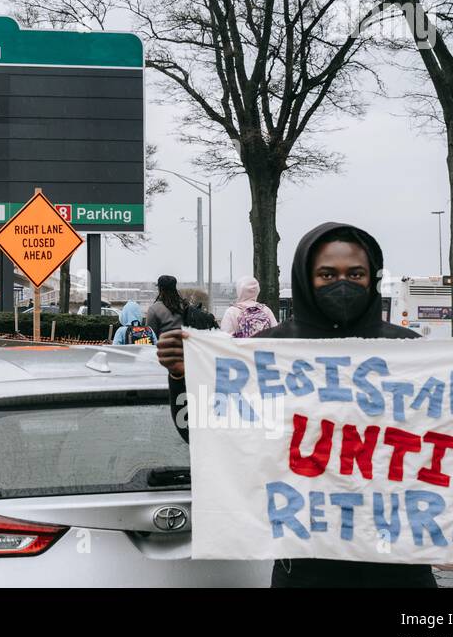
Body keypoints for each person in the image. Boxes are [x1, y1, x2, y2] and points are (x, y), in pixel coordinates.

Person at [156, 221, 434, 588]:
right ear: (305, 278)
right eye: (326, 274)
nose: (342, 283)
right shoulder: (266, 354)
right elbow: (205, 432)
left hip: (400, 565)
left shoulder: (411, 351)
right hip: (306, 566)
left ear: (373, 278)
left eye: (355, 273)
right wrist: (181, 376)